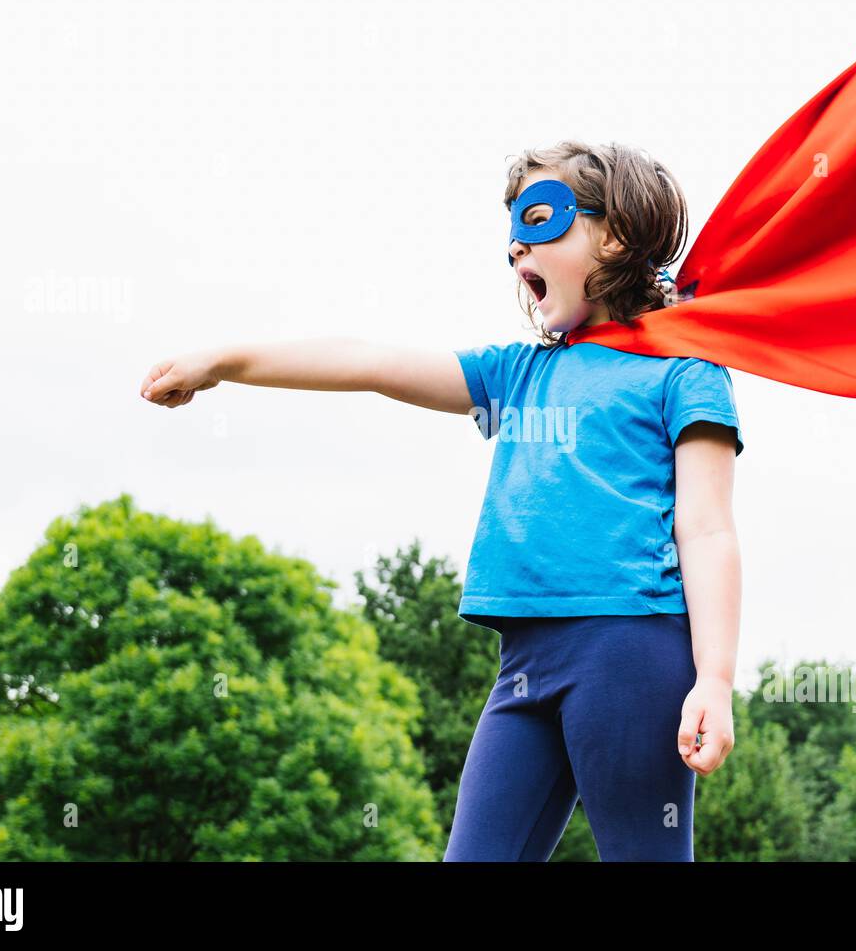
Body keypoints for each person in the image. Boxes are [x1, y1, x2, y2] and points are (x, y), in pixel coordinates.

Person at [138, 141, 743, 862]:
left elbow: (705, 530)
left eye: (539, 218)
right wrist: (226, 363)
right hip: (523, 662)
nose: (517, 242)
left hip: (630, 650)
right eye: (511, 231)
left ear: (612, 234)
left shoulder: (685, 370)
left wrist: (715, 677)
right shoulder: (517, 376)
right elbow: (370, 362)